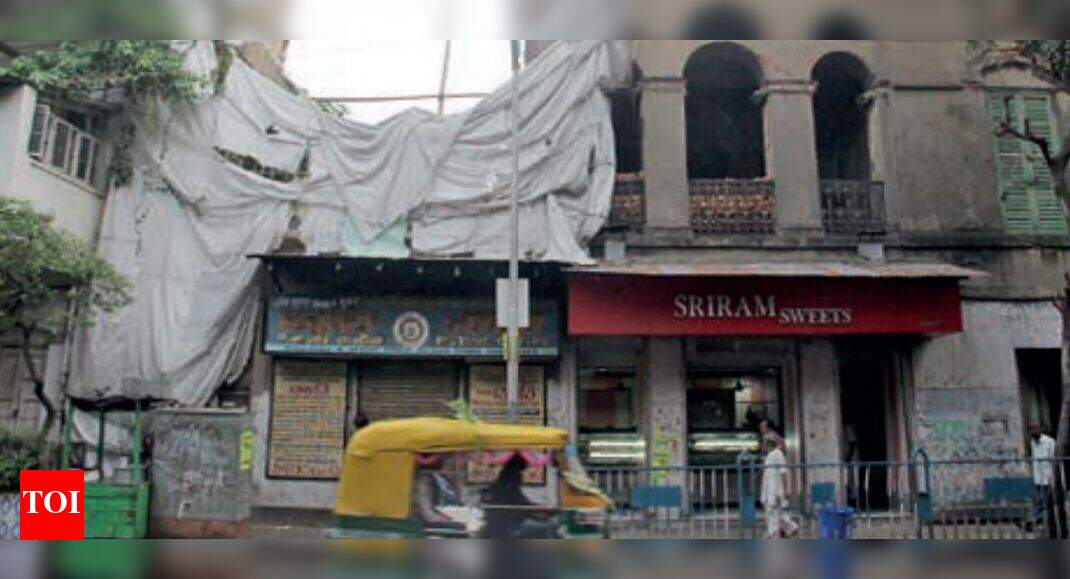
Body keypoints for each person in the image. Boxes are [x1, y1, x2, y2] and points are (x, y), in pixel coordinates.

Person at [482, 453, 555, 538]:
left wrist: (534, 507)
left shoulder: (520, 515)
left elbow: (516, 498)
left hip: (498, 524)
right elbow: (517, 498)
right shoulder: (522, 515)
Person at [1030, 424, 1067, 538]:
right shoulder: (1033, 442)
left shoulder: (1049, 441)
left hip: (1048, 478)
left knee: (1045, 502)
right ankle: (1033, 521)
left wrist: (1054, 478)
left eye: (1035, 429)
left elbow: (1054, 460)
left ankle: (1033, 521)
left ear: (1040, 430)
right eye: (1031, 430)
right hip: (1038, 478)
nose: (1033, 432)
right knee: (1039, 501)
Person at [761, 434, 798, 539]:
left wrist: (785, 489)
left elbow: (783, 472)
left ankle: (773, 533)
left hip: (776, 489)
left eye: (766, 442)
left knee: (773, 511)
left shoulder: (778, 454)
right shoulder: (770, 455)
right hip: (769, 489)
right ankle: (791, 527)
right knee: (777, 512)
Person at [411, 462, 463, 530]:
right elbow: (426, 513)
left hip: (423, 519)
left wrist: (444, 517)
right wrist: (443, 519)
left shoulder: (429, 477)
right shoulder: (423, 480)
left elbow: (429, 508)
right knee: (459, 527)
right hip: (420, 522)